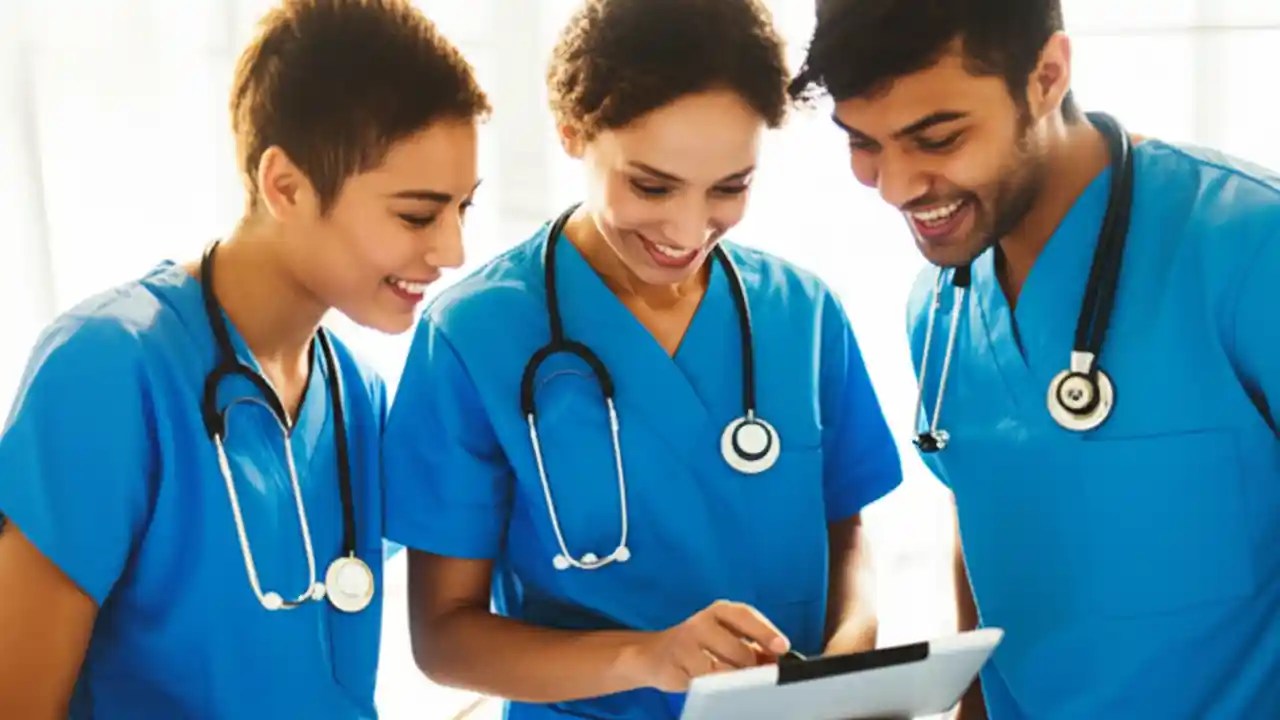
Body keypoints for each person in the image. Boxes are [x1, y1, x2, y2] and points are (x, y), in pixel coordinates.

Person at [381, 0, 903, 717]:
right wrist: (646, 658)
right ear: (572, 132)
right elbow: (445, 638)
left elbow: (847, 534)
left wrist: (848, 657)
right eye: (651, 186)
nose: (687, 230)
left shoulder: (803, 315)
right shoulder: (473, 336)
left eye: (730, 188)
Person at [790, 0, 1280, 717]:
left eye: (938, 138)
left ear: (1047, 76)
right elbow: (986, 527)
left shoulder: (1251, 249)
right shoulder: (940, 310)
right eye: (864, 143)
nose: (894, 186)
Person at [0, 1, 487, 717]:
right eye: (416, 215)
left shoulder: (356, 395)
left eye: (463, 209)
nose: (452, 251)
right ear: (284, 185)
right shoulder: (109, 370)